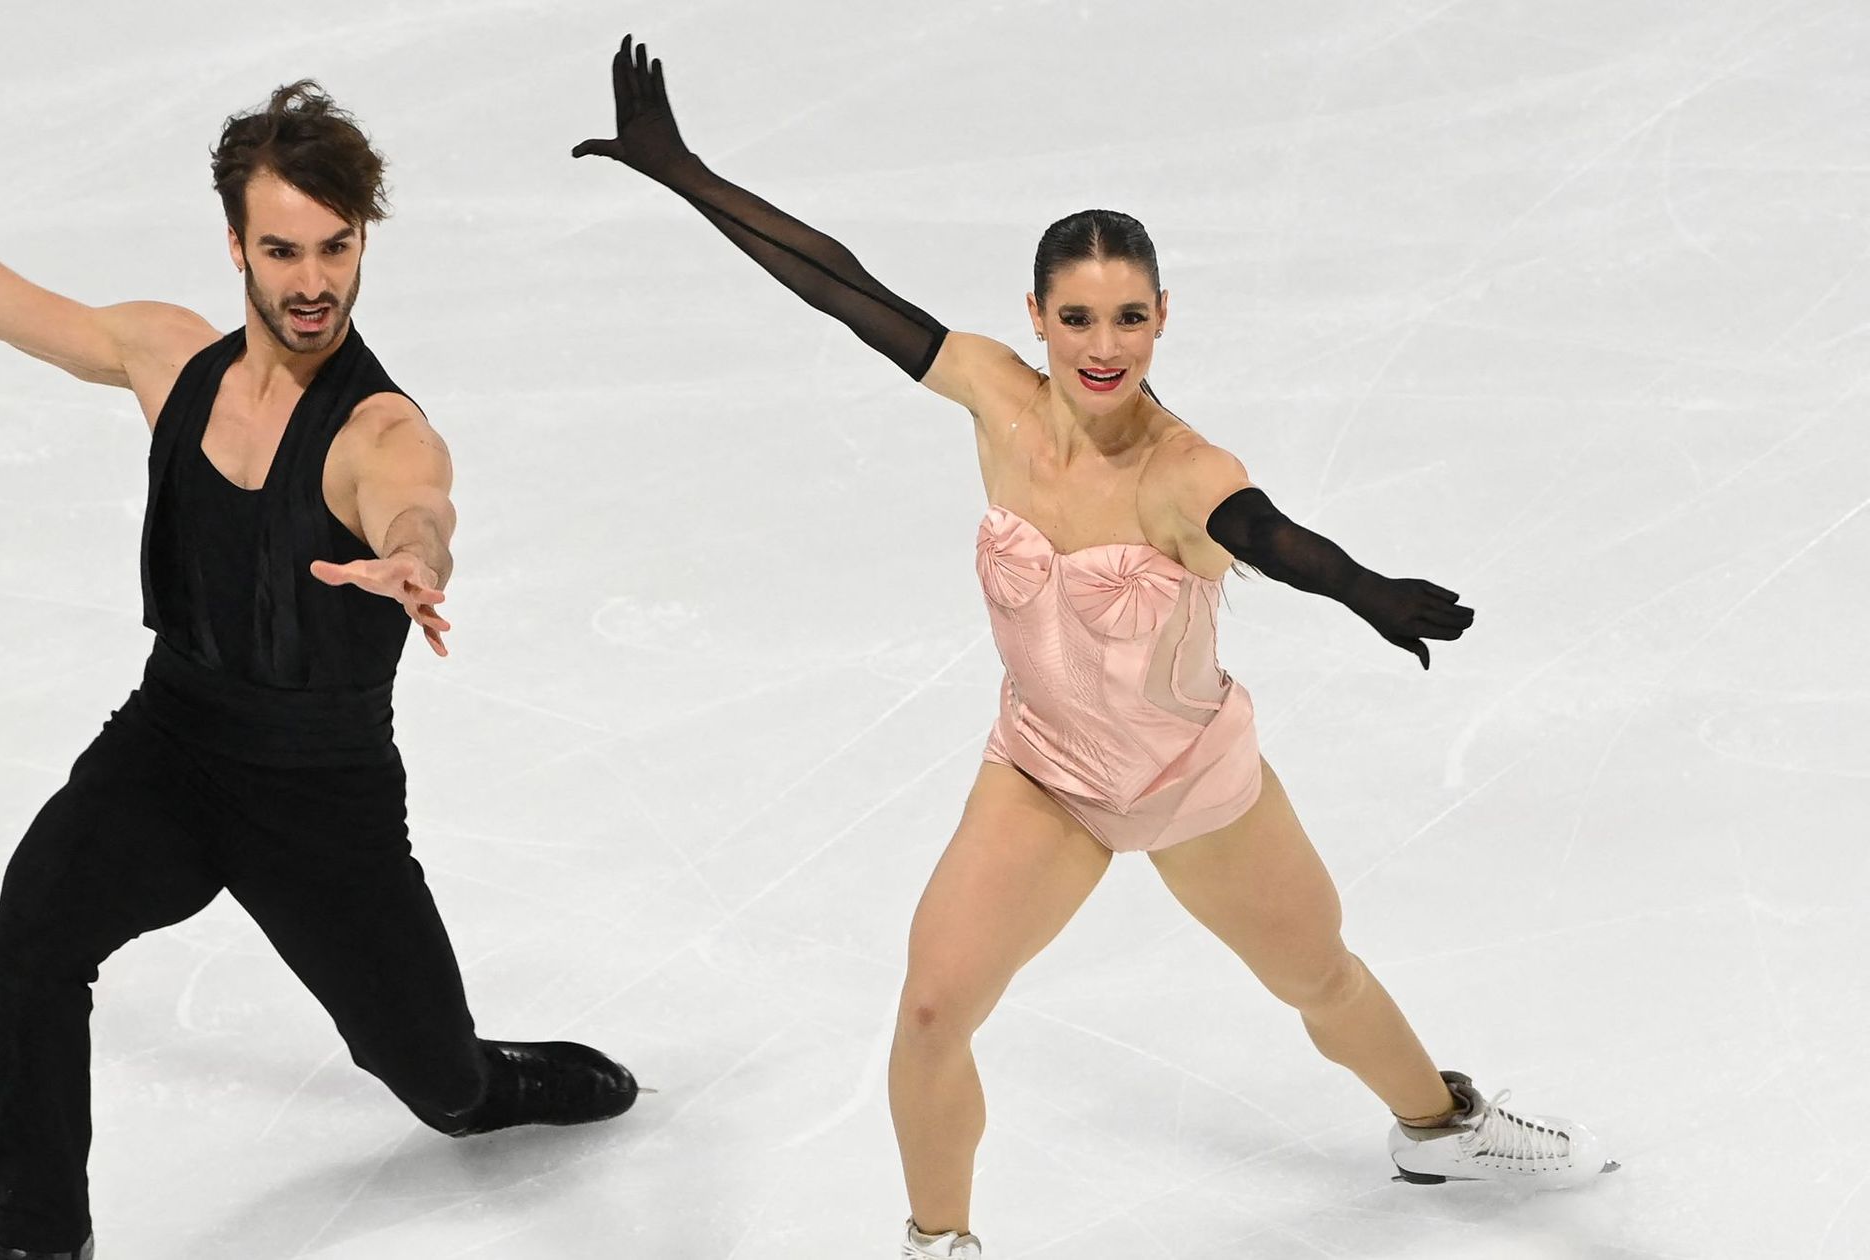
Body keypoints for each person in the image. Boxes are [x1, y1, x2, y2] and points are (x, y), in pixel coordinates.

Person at [571, 36, 1610, 1259]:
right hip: (1044, 773)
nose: (1102, 345)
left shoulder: (1185, 470)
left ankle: (1438, 1128)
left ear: (1164, 317)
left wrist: (1368, 590)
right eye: (1076, 318)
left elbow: (1268, 535)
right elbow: (840, 285)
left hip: (1193, 787)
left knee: (1319, 978)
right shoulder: (996, 397)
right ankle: (938, 1242)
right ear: (1037, 317)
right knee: (929, 1009)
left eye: (1128, 317)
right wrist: (684, 173)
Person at [0, 84, 639, 1260]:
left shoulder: (376, 431)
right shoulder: (167, 359)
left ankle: (484, 1085)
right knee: (36, 939)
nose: (313, 282)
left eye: (338, 249)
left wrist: (411, 556)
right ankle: (40, 1239)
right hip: (174, 742)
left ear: (364, 241)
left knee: (436, 1081)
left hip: (321, 797)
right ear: (236, 245)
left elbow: (419, 499)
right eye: (283, 249)